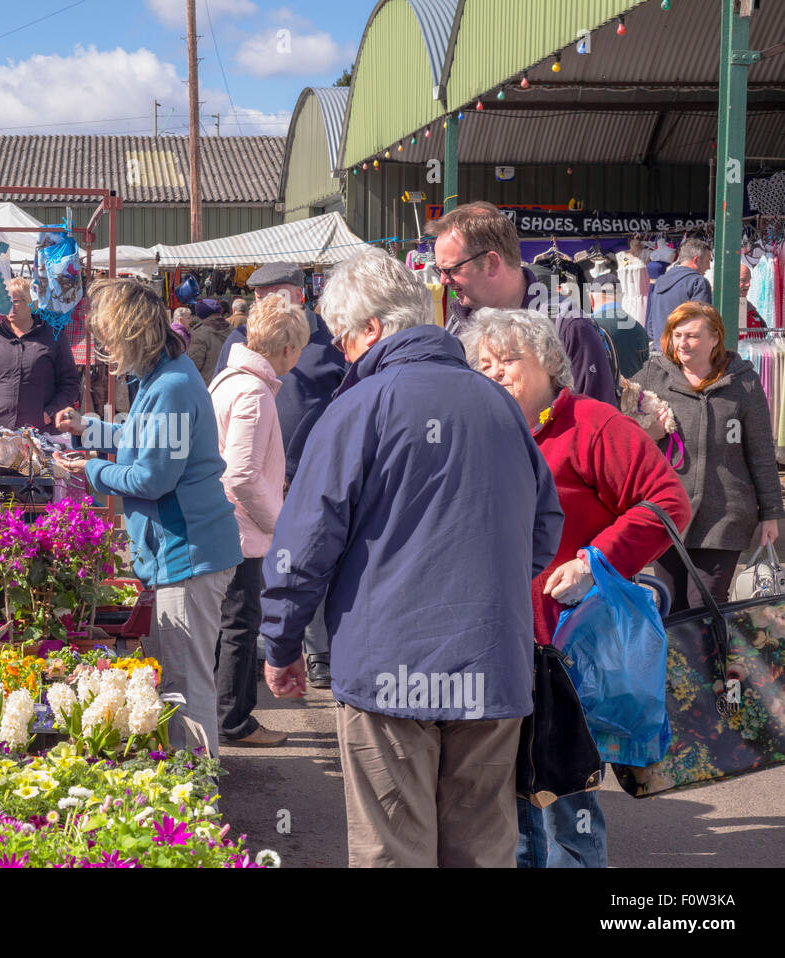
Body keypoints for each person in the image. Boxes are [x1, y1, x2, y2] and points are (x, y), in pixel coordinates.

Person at [259, 248, 564, 868]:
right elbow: (543, 528)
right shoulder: (500, 405)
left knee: (393, 851)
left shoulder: (356, 407)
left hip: (388, 670)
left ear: (371, 329)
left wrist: (281, 643)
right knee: (482, 849)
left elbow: (303, 546)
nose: (343, 353)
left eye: (344, 339)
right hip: (490, 667)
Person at [460, 308, 691, 869]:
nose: (494, 373)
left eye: (508, 360)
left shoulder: (593, 423)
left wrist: (596, 560)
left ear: (548, 363)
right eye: (483, 363)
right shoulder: (480, 428)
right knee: (505, 789)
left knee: (563, 792)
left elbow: (668, 503)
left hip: (564, 644)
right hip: (493, 640)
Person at [52, 279, 242, 756]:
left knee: (186, 685)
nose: (107, 350)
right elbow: (147, 438)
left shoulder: (172, 385)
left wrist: (93, 469)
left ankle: (199, 799)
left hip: (188, 553)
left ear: (131, 334)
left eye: (110, 339)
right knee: (174, 680)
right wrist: (89, 428)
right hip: (181, 552)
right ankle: (187, 791)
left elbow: (153, 478)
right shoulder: (165, 377)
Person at [213, 262, 347, 689]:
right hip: (261, 475)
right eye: (258, 296)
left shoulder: (328, 340)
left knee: (313, 561)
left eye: (274, 294)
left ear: (299, 294)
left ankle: (317, 651)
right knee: (261, 568)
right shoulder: (240, 342)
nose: (264, 304)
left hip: (313, 469)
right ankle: (260, 649)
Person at [632, 302, 784, 611]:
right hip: (666, 512)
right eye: (677, 335)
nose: (682, 344)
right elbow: (618, 428)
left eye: (692, 335)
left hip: (724, 516)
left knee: (706, 605)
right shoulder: (653, 376)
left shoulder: (743, 382)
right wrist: (648, 433)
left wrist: (770, 512)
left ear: (714, 338)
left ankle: (709, 660)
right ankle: (675, 662)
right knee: (671, 605)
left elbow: (761, 451)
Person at [208, 294, 310, 748]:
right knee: (240, 627)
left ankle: (226, 717)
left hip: (229, 527)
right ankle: (235, 722)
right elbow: (242, 473)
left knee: (232, 625)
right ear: (287, 348)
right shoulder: (252, 390)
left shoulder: (231, 381)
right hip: (243, 532)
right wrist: (279, 524)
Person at [428, 201, 616, 406]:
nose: (443, 281)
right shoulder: (458, 324)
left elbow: (598, 427)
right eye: (440, 271)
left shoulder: (567, 326)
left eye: (452, 270)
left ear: (491, 263)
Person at [0, 276, 80, 428]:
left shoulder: (53, 337)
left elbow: (70, 382)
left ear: (30, 302)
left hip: (39, 429)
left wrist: (50, 412)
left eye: (16, 301)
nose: (10, 307)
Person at [644, 238, 712, 344]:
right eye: (708, 261)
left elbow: (651, 325)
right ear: (696, 260)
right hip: (685, 351)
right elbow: (700, 323)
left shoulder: (660, 280)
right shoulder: (698, 282)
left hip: (662, 350)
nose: (709, 267)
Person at [588, 273, 651, 379]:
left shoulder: (588, 327)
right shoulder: (640, 329)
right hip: (634, 392)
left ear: (591, 298)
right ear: (621, 297)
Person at [187, 298, 231, 384]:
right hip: (230, 383)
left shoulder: (200, 334)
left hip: (208, 387)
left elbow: (193, 366)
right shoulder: (232, 330)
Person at [742, 263, 767, 331]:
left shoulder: (748, 307)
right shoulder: (723, 306)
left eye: (749, 280)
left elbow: (764, 329)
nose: (748, 284)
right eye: (743, 280)